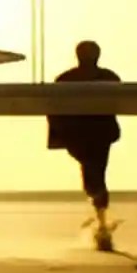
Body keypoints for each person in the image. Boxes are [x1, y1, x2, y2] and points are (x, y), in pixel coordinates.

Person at [48, 40, 122, 250]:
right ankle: (102, 223)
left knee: (94, 174)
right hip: (80, 135)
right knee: (93, 174)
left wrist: (58, 134)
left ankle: (101, 225)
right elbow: (53, 109)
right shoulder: (70, 79)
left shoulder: (70, 79)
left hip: (94, 134)